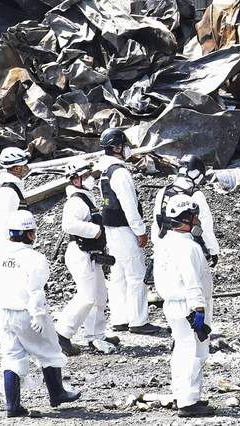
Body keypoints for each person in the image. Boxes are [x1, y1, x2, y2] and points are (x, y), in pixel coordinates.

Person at [0, 210, 82, 417]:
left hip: (5, 313)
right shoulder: (34, 258)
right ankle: (57, 393)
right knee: (49, 351)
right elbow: (36, 290)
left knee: (12, 356)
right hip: (27, 312)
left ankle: (12, 406)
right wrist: (38, 314)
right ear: (30, 234)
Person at [154, 195, 214, 417]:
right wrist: (199, 309)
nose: (198, 221)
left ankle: (182, 394)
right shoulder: (187, 247)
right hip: (189, 306)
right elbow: (192, 282)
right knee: (193, 352)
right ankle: (188, 402)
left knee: (181, 349)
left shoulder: (166, 242)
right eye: (195, 217)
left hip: (173, 305)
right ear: (186, 218)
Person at [95, 126, 159, 335]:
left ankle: (120, 318)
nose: (127, 149)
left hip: (111, 229)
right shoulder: (120, 172)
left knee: (119, 275)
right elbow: (129, 205)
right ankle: (138, 321)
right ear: (116, 148)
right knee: (136, 275)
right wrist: (140, 230)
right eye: (124, 145)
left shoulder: (105, 172)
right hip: (124, 229)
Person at [55, 164, 116, 355]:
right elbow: (69, 225)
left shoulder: (85, 198)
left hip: (90, 254)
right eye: (86, 175)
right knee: (87, 297)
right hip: (81, 254)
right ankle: (61, 334)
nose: (91, 178)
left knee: (99, 295)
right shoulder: (75, 201)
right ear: (76, 180)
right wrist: (94, 231)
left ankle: (96, 336)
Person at [0, 147, 31, 247]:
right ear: (17, 168)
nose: (27, 168)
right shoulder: (8, 192)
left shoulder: (13, 188)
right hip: (10, 247)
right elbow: (3, 225)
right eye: (24, 165)